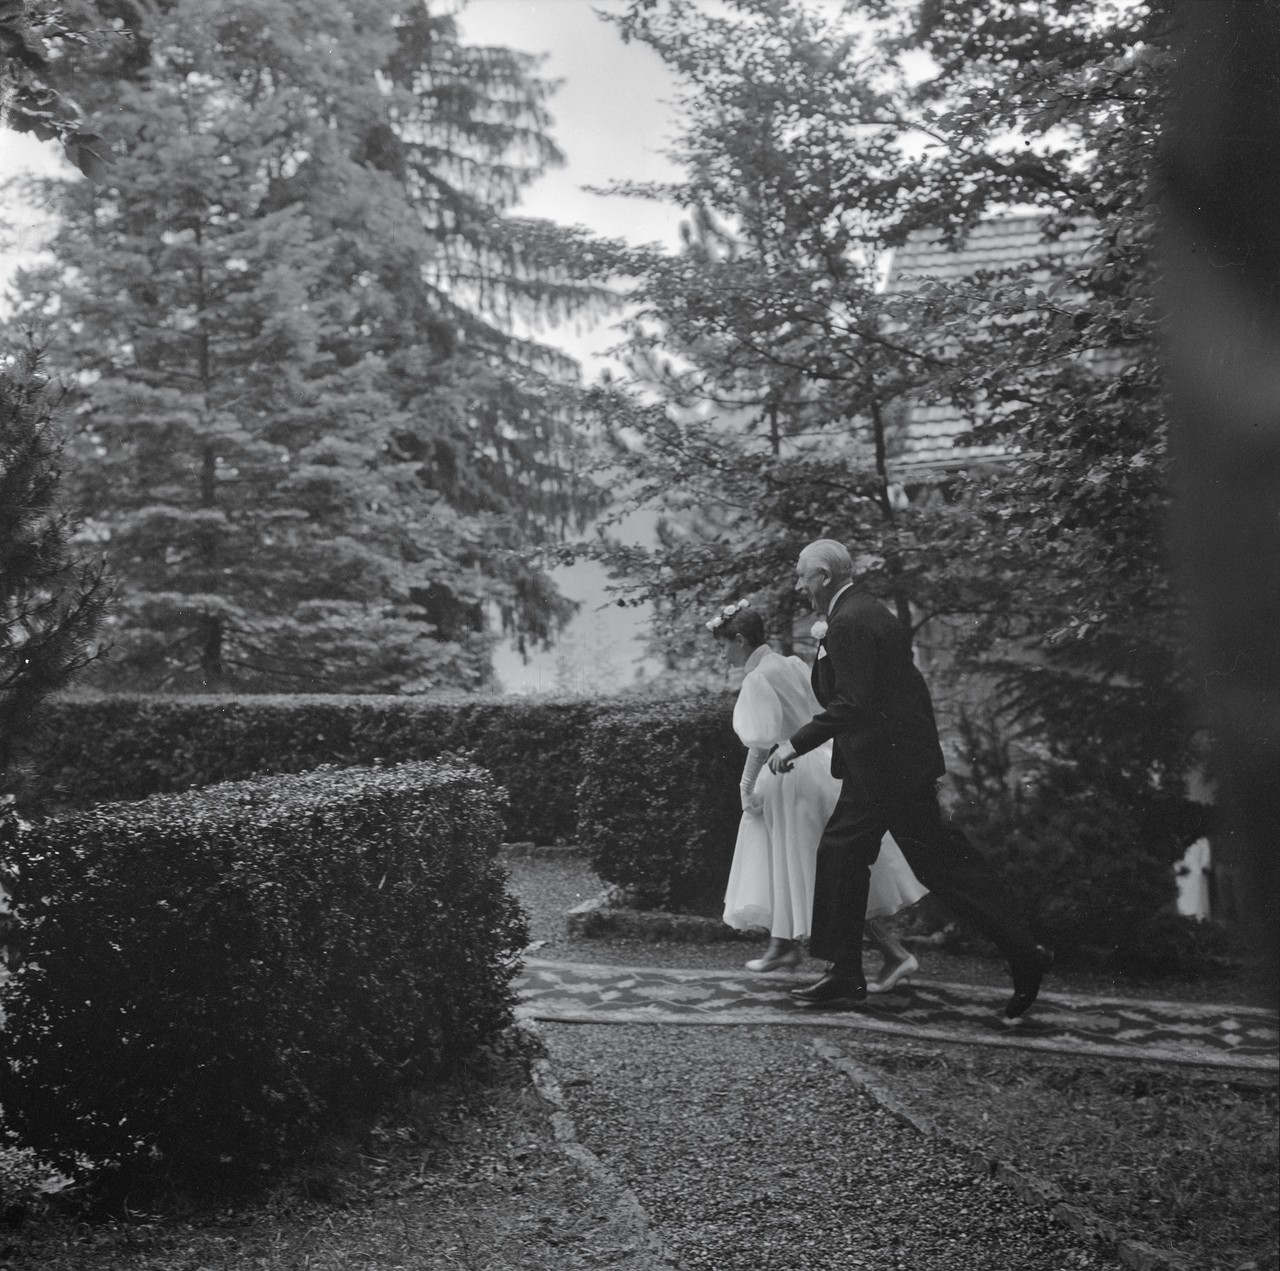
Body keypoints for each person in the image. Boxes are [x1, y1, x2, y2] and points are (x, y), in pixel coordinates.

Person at [768, 540, 1054, 1018]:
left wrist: (793, 744)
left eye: (803, 577)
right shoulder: (865, 611)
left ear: (824, 576)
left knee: (941, 865)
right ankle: (844, 974)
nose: (799, 586)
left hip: (890, 773)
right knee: (845, 853)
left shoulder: (851, 621)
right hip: (882, 767)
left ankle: (1026, 955)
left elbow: (852, 703)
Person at [709, 599, 926, 990]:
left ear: (739, 639)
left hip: (793, 774)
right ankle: (782, 944)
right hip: (820, 768)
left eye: (723, 645)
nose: (722, 654)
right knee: (800, 863)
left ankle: (893, 953)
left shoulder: (757, 679)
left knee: (820, 872)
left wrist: (745, 787)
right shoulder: (787, 663)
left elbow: (760, 743)